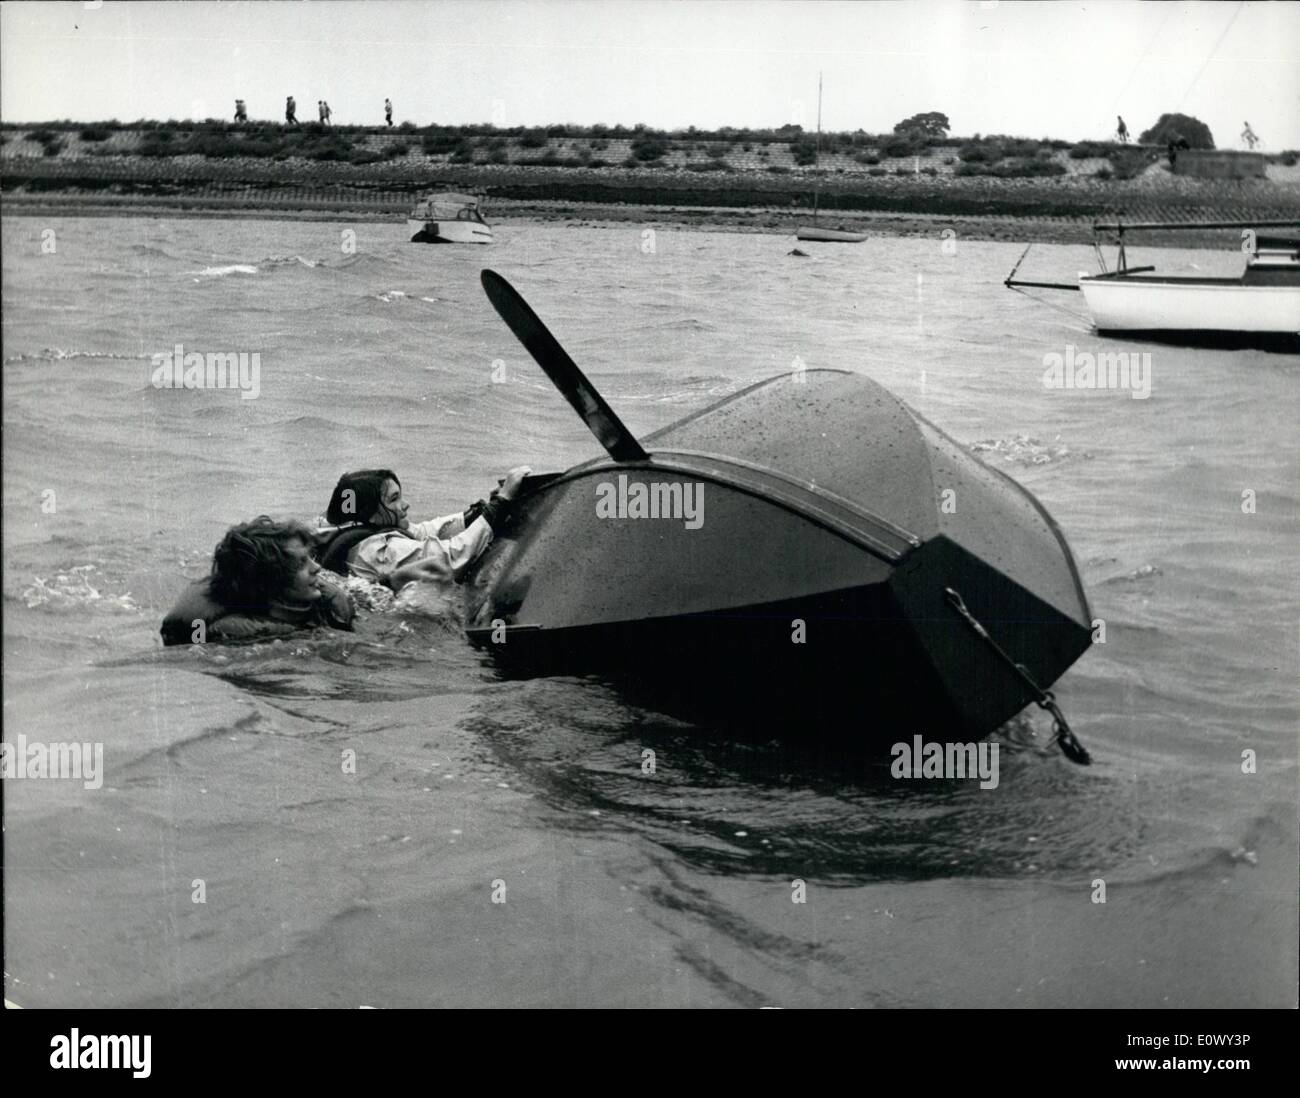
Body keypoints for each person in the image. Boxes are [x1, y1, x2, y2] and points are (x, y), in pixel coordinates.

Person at [316, 467, 530, 591]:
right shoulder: (378, 550)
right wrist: (502, 503)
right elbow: (451, 557)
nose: (405, 505)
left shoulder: (351, 530)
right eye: (394, 499)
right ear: (370, 514)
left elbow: (422, 532)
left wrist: (482, 510)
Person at [160, 516, 354, 646]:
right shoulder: (233, 635)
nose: (316, 568)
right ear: (271, 580)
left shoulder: (325, 603)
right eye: (301, 563)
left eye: (310, 557)